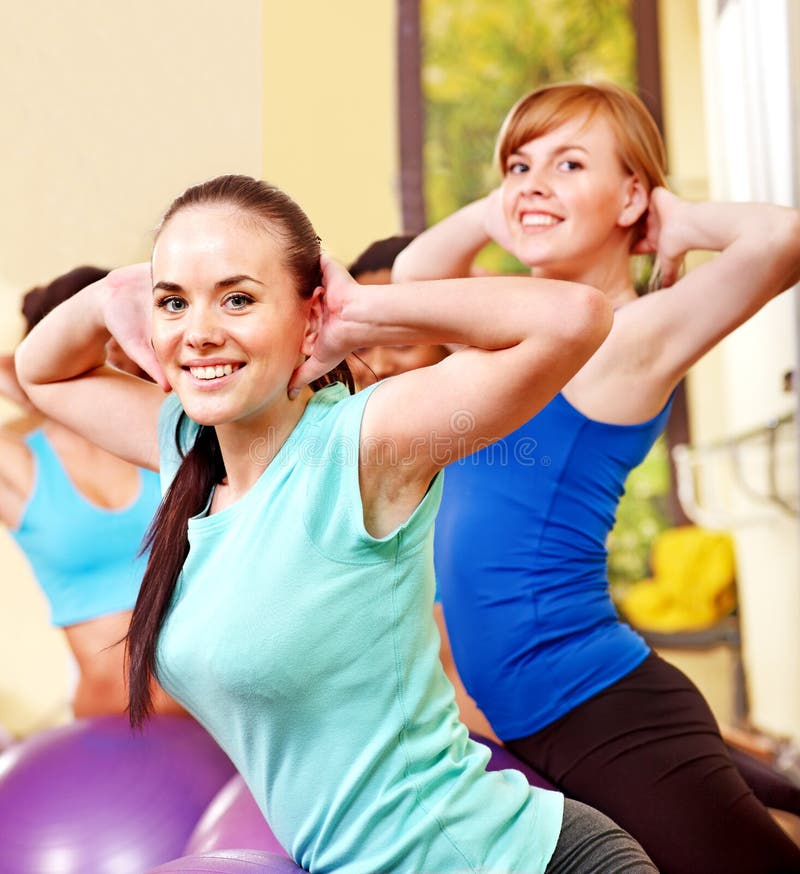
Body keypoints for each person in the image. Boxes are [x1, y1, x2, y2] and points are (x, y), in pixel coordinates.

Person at [15, 174, 661, 873]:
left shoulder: (363, 445)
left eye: (238, 298)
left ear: (308, 314)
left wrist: (362, 311)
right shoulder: (184, 452)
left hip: (518, 861)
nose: (200, 332)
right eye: (175, 302)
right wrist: (110, 293)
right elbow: (42, 371)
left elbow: (576, 318)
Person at [393, 80, 800, 874]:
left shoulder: (628, 334)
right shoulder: (515, 336)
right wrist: (511, 201)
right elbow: (413, 276)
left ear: (631, 199)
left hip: (597, 709)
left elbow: (781, 239)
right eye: (518, 164)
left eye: (570, 163)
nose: (533, 181)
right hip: (547, 713)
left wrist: (680, 221)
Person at [0, 266, 184, 718]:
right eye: (102, 341)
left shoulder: (169, 431)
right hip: (104, 738)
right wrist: (35, 385)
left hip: (217, 720)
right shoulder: (20, 465)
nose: (119, 356)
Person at [348, 234, 498, 743]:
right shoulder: (348, 467)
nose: (382, 364)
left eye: (404, 342)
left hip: (518, 739)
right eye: (364, 346)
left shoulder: (493, 454)